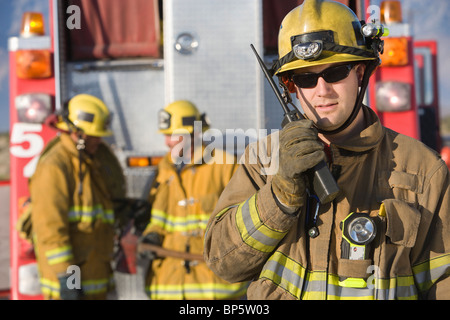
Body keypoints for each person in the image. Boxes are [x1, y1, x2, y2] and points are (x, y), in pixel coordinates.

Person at [204, 0, 450, 300]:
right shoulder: (261, 161)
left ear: (360, 73)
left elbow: (443, 282)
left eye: (335, 73)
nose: (322, 90)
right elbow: (223, 263)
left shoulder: (423, 169)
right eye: (306, 78)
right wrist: (280, 195)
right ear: (290, 87)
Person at [139, 100, 248, 300]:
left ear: (193, 133)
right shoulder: (164, 169)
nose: (167, 142)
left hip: (214, 287)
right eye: (166, 135)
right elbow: (158, 218)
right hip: (169, 285)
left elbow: (244, 221)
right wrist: (151, 234)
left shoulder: (224, 165)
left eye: (172, 135)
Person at [30, 94, 126, 300]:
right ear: (76, 132)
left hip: (95, 278)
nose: (99, 140)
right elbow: (50, 230)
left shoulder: (93, 161)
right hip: (71, 283)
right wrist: (69, 279)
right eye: (93, 135)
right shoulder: (55, 166)